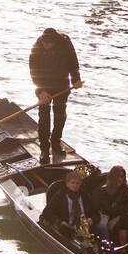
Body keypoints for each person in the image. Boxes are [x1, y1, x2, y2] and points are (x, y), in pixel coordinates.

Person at [29, 27, 83, 161]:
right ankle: (44, 149)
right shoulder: (37, 48)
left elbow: (73, 64)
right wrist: (40, 91)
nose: (46, 46)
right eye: (44, 43)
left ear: (55, 42)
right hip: (44, 84)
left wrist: (75, 80)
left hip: (61, 83)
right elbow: (34, 72)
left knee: (60, 114)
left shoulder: (66, 44)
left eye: (49, 44)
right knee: (44, 115)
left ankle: (56, 142)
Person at [86, 165, 128, 247]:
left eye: (122, 177)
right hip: (104, 217)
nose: (120, 179)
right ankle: (108, 247)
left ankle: (124, 246)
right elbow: (96, 208)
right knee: (103, 225)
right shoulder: (101, 191)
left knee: (127, 219)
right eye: (117, 176)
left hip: (120, 217)